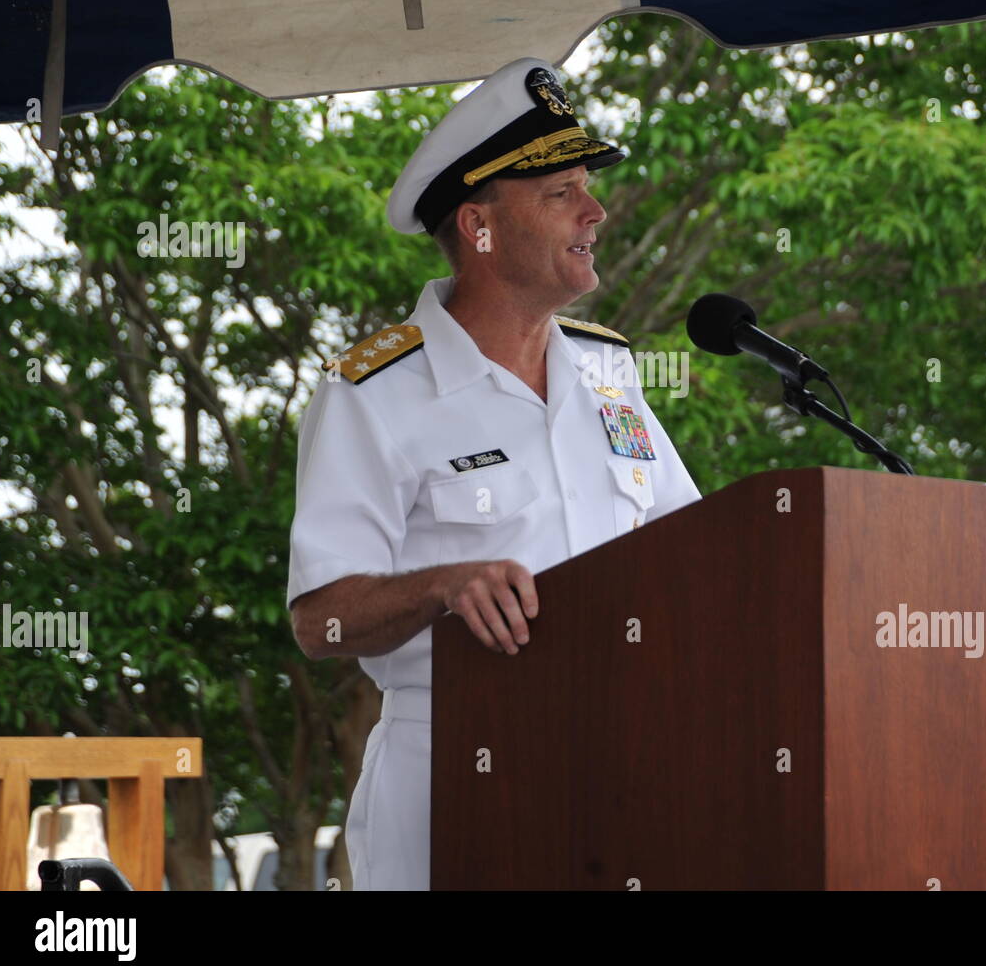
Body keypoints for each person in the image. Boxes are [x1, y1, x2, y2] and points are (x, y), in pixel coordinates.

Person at [285, 56, 701, 890]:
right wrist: (442, 586)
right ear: (478, 226)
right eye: (561, 194)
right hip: (454, 779)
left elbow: (695, 557)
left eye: (586, 185)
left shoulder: (608, 374)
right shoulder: (373, 393)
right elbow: (319, 621)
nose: (596, 210)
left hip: (625, 770)